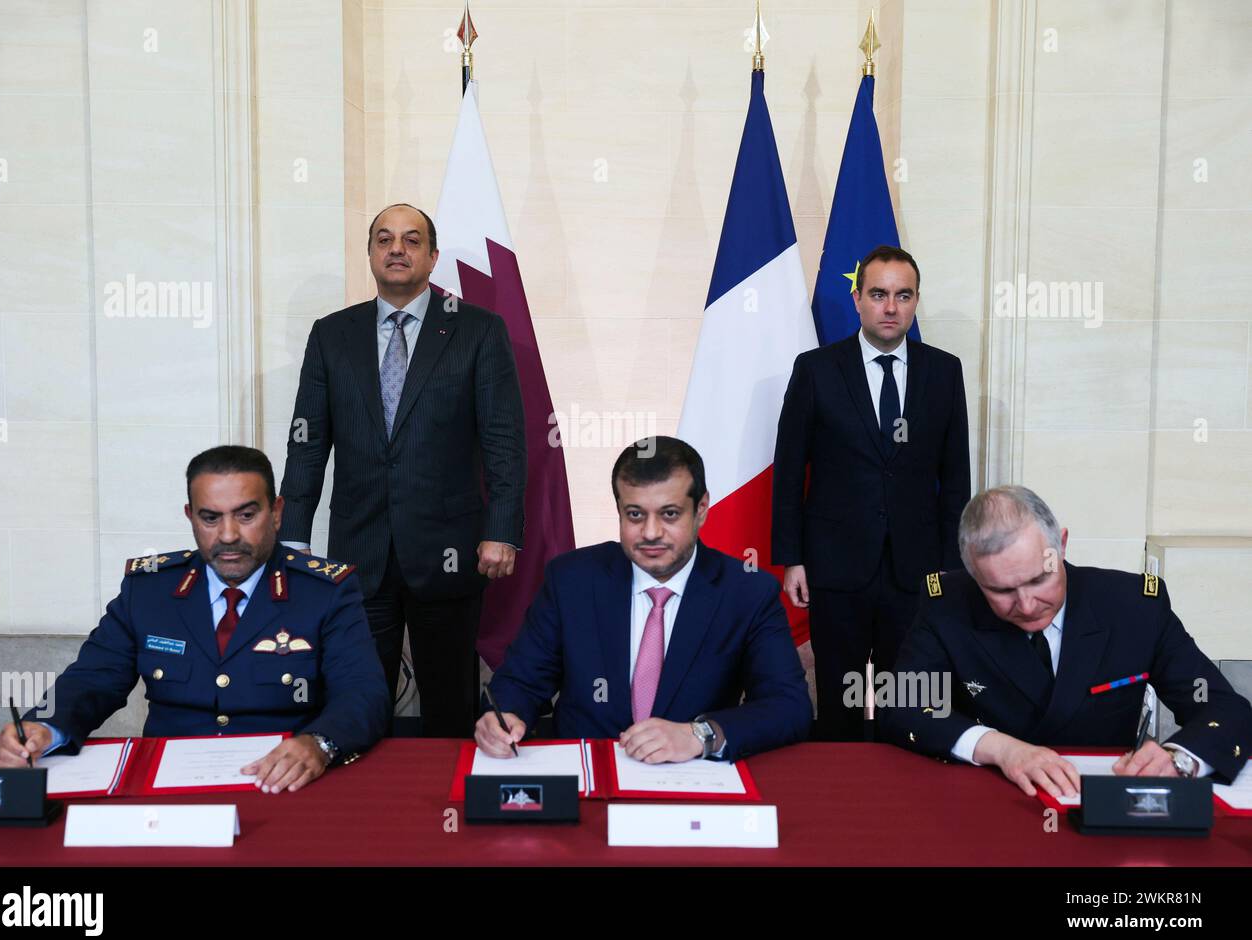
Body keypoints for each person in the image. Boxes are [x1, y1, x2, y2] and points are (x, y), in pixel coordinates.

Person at [0, 446, 390, 795]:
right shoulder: (150, 590)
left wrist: (319, 743)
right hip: (168, 791)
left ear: (276, 513)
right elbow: (92, 678)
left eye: (246, 515)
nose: (229, 534)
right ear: (190, 517)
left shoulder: (324, 591)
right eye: (211, 518)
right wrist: (45, 728)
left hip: (280, 782)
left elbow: (364, 695)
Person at [278, 203, 527, 737]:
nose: (397, 249)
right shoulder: (331, 335)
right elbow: (306, 442)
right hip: (358, 547)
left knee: (450, 708)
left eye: (412, 240)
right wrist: (293, 538)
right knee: (355, 698)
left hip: (450, 550)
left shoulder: (478, 330)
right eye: (385, 239)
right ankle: (362, 812)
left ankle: (447, 803)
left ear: (433, 256)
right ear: (370, 253)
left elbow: (505, 441)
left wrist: (502, 530)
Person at [883, 485, 1252, 797]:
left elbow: (1224, 708)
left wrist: (1179, 758)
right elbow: (903, 707)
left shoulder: (1133, 607)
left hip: (1099, 801)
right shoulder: (947, 604)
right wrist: (1001, 749)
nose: (1026, 605)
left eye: (1038, 580)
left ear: (1061, 546)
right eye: (1001, 590)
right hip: (987, 798)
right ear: (974, 576)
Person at [476, 437, 811, 763]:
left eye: (669, 514)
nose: (651, 533)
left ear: (702, 509)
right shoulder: (571, 579)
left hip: (691, 782)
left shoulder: (747, 592)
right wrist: (502, 716)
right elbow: (520, 681)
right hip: (589, 778)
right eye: (635, 515)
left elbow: (788, 706)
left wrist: (698, 735)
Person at [772, 244, 970, 741]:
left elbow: (956, 479)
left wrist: (952, 565)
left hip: (917, 567)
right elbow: (791, 472)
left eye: (903, 296)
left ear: (916, 301)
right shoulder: (816, 369)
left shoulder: (944, 372)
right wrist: (792, 559)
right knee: (838, 701)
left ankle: (906, 807)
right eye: (878, 294)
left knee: (909, 702)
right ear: (857, 298)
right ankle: (838, 806)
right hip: (835, 566)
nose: (890, 307)